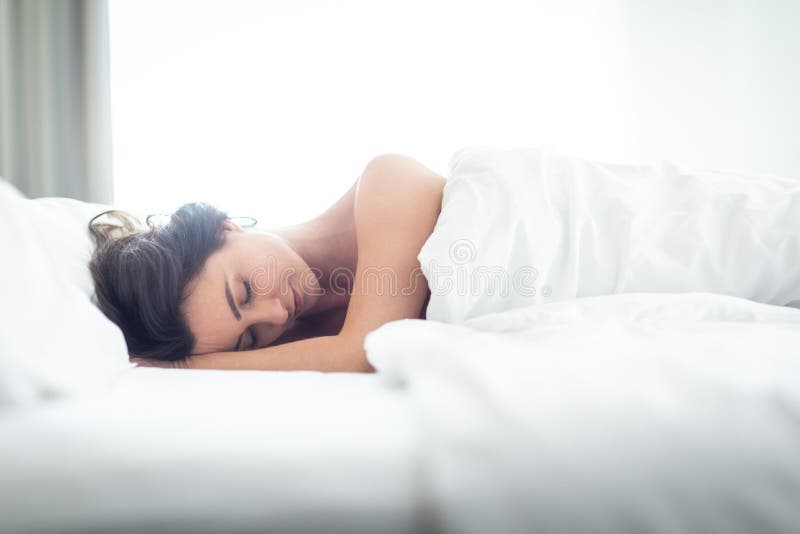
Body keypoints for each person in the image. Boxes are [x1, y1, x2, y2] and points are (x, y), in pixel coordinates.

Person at [88, 154, 446, 372]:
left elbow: (365, 354)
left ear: (224, 227)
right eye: (249, 339)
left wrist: (186, 366)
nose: (276, 317)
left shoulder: (386, 182)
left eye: (245, 291)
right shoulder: (303, 347)